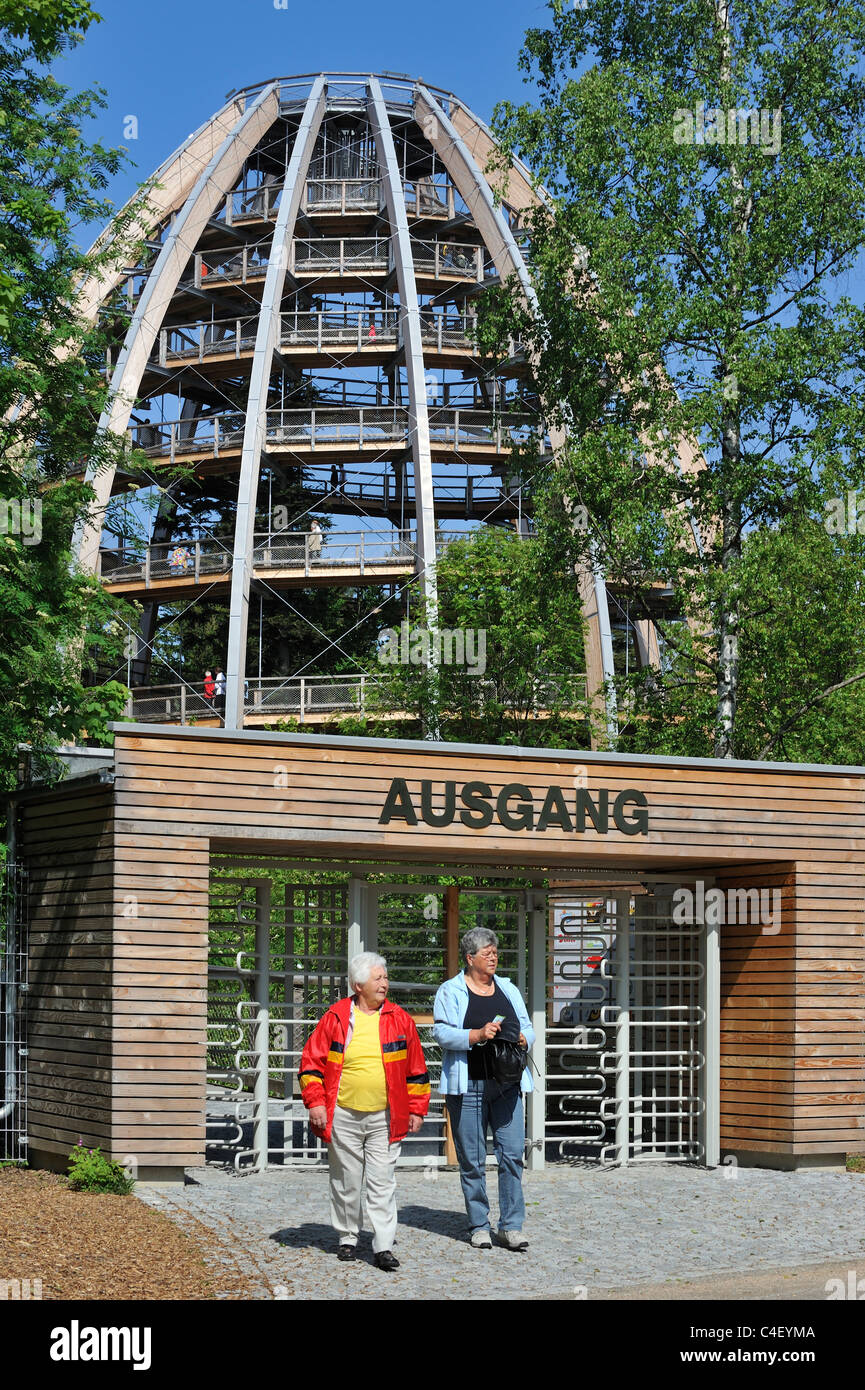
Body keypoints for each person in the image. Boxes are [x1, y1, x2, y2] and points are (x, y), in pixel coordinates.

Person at [298, 952, 430, 1270]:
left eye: (385, 977)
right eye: (378, 978)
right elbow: (310, 1064)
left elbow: (416, 1070)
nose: (385, 983)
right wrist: (315, 1102)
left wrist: (417, 1109)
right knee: (346, 1179)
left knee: (382, 1182)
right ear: (359, 985)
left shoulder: (400, 1019)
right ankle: (347, 1238)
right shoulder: (336, 1018)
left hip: (386, 1115)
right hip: (342, 1113)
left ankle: (383, 1246)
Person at [433, 927, 534, 1251]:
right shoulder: (450, 991)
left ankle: (511, 1226)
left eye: (495, 952)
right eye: (487, 953)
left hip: (506, 1084)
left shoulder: (507, 987)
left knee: (512, 1154)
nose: (493, 957)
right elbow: (441, 1032)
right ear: (470, 958)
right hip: (469, 1086)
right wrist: (475, 1035)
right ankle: (479, 1225)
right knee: (473, 1160)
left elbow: (529, 1027)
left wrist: (523, 1038)